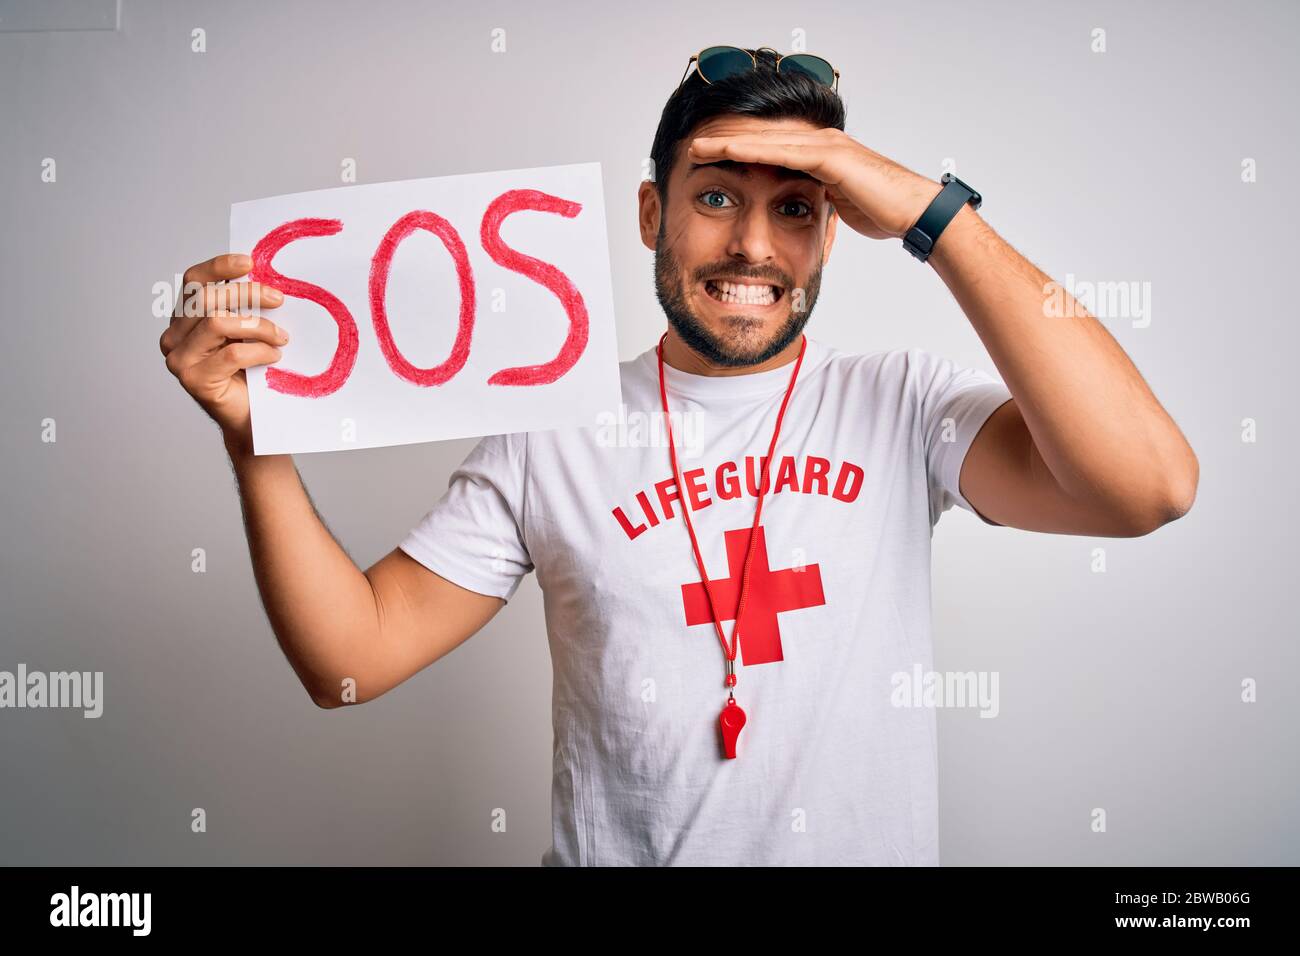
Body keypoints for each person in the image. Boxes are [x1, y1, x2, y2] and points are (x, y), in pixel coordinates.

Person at [158, 46, 1198, 866]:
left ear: (833, 233)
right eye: (714, 197)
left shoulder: (898, 401)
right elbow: (350, 661)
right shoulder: (548, 425)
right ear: (652, 212)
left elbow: (1148, 486)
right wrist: (260, 440)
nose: (753, 245)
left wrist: (934, 215)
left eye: (797, 206)